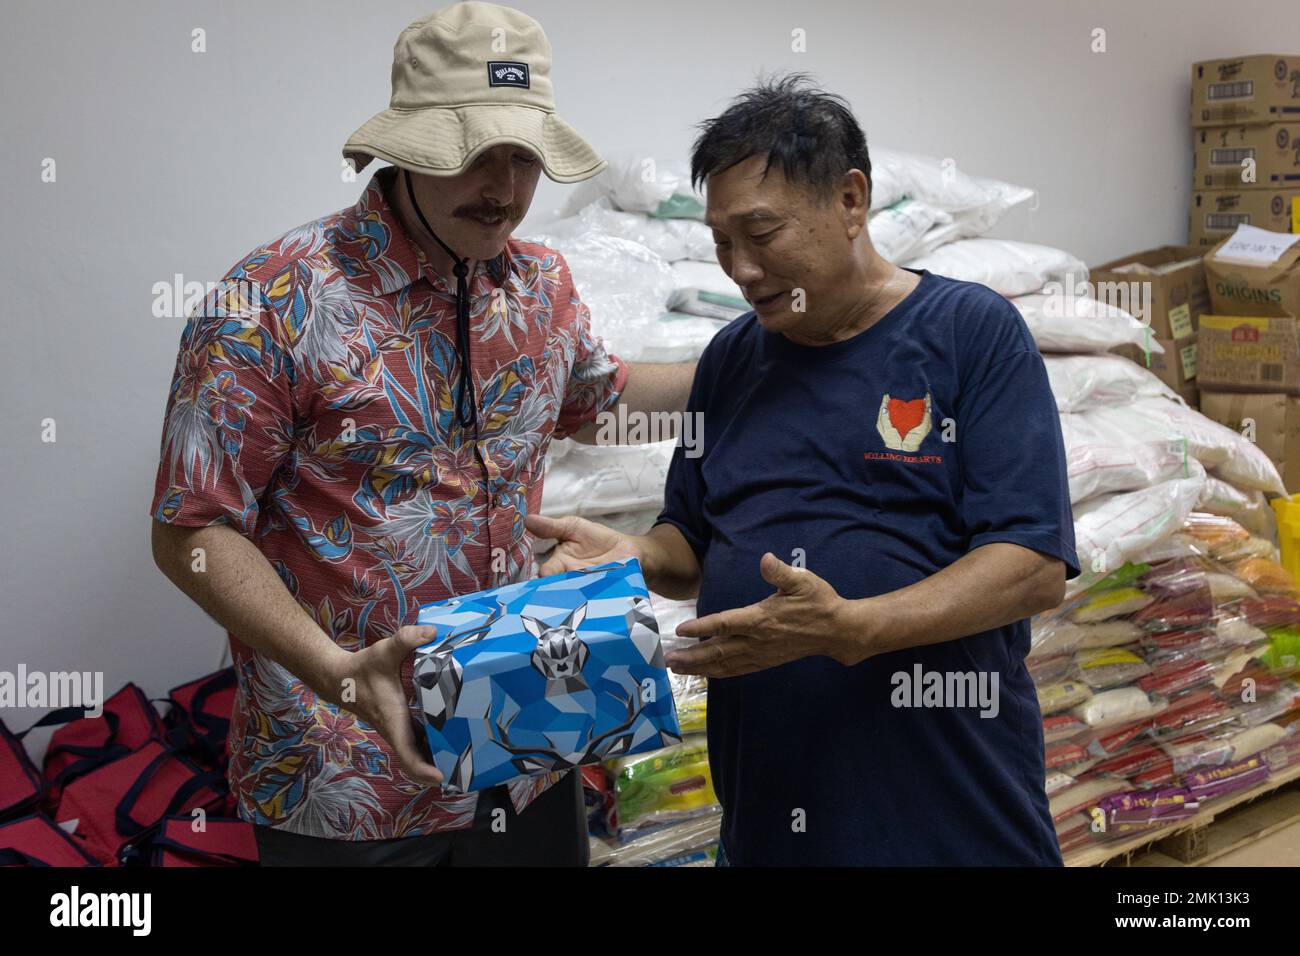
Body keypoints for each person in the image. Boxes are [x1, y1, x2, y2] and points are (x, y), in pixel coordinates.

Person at [148, 1, 693, 866]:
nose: (505, 187)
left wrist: (774, 351)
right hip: (345, 770)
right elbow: (191, 530)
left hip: (524, 739)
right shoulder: (273, 301)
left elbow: (604, 401)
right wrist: (339, 672)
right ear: (403, 149)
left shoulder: (540, 286)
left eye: (525, 158)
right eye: (474, 154)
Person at [528, 74, 1081, 866]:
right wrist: (634, 556)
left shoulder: (970, 333)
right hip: (769, 811)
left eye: (762, 233)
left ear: (851, 199)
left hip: (947, 808)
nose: (741, 268)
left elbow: (1032, 566)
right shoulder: (731, 359)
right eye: (722, 242)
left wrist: (854, 629)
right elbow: (691, 539)